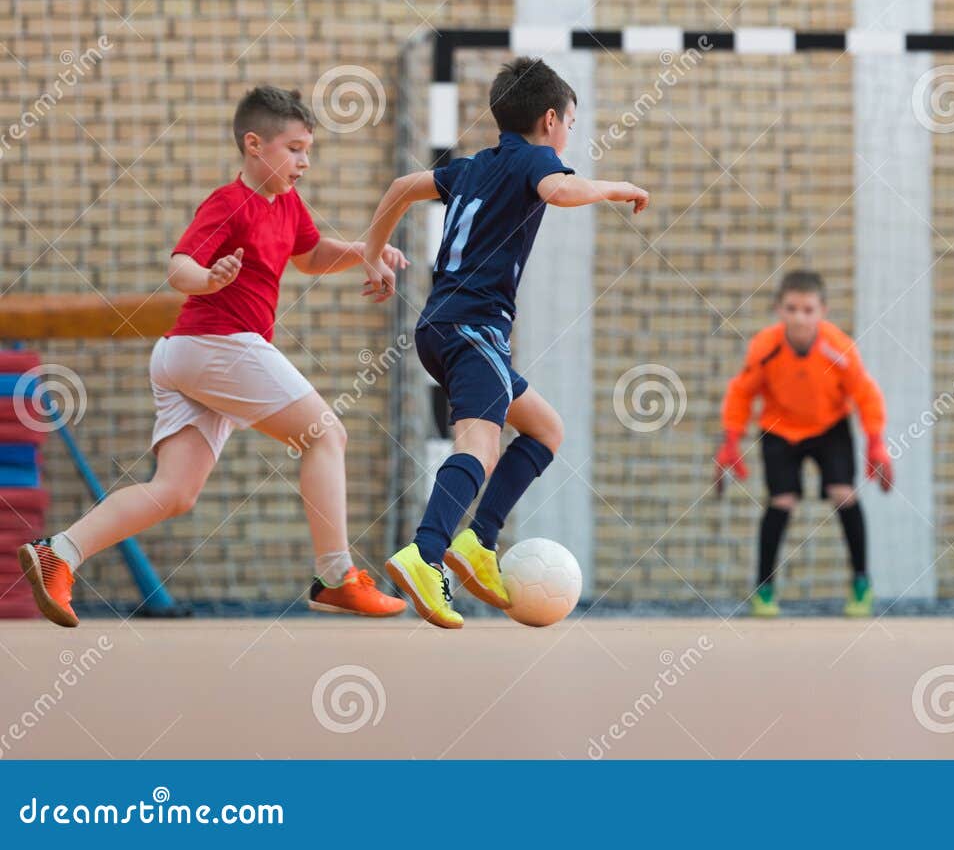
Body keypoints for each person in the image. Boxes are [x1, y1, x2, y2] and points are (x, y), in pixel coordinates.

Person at [20, 86, 407, 626]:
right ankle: (336, 576)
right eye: (294, 149)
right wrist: (208, 278)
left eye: (308, 150)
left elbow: (312, 256)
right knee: (326, 433)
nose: (304, 162)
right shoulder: (229, 204)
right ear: (255, 145)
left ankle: (59, 552)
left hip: (188, 357)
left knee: (174, 491)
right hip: (215, 343)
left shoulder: (288, 205)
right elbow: (178, 267)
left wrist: (368, 252)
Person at [361, 56, 648, 629]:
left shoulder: (471, 168)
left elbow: (399, 187)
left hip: (441, 329)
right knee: (480, 447)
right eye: (571, 123)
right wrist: (616, 187)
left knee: (544, 428)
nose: (568, 137)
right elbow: (560, 193)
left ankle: (478, 543)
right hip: (475, 331)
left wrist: (372, 254)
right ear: (549, 120)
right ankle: (425, 552)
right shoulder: (536, 161)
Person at [715, 272, 890, 618]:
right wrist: (730, 442)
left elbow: (866, 394)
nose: (799, 316)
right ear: (779, 309)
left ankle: (861, 584)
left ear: (822, 310)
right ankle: (763, 589)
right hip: (780, 429)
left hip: (830, 427)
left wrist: (876, 444)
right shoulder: (765, 347)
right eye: (792, 308)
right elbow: (741, 392)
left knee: (844, 493)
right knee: (782, 501)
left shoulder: (837, 348)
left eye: (808, 309)